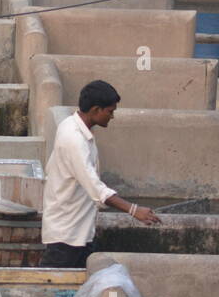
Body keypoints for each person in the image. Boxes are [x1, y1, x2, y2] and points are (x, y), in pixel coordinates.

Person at [41, 80, 160, 268]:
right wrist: (134, 210)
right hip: (66, 236)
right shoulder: (74, 139)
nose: (112, 117)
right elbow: (97, 189)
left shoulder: (74, 126)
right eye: (110, 111)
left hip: (80, 231)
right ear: (96, 110)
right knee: (54, 290)